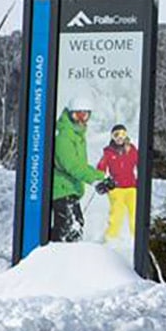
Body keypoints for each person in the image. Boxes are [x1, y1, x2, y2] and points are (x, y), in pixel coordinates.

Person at [51, 95, 108, 242]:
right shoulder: (64, 137)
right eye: (77, 115)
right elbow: (72, 165)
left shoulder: (77, 135)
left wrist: (103, 178)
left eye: (85, 115)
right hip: (61, 190)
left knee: (75, 226)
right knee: (69, 229)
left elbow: (80, 165)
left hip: (70, 190)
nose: (82, 120)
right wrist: (95, 181)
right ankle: (56, 259)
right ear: (70, 115)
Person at [97, 123, 140, 243]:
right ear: (112, 137)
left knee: (135, 214)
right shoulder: (108, 152)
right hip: (116, 188)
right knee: (117, 214)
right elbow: (100, 169)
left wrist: (140, 181)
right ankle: (110, 239)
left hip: (132, 188)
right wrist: (103, 182)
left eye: (122, 134)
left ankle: (136, 240)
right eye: (116, 135)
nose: (120, 137)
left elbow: (140, 165)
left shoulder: (132, 150)